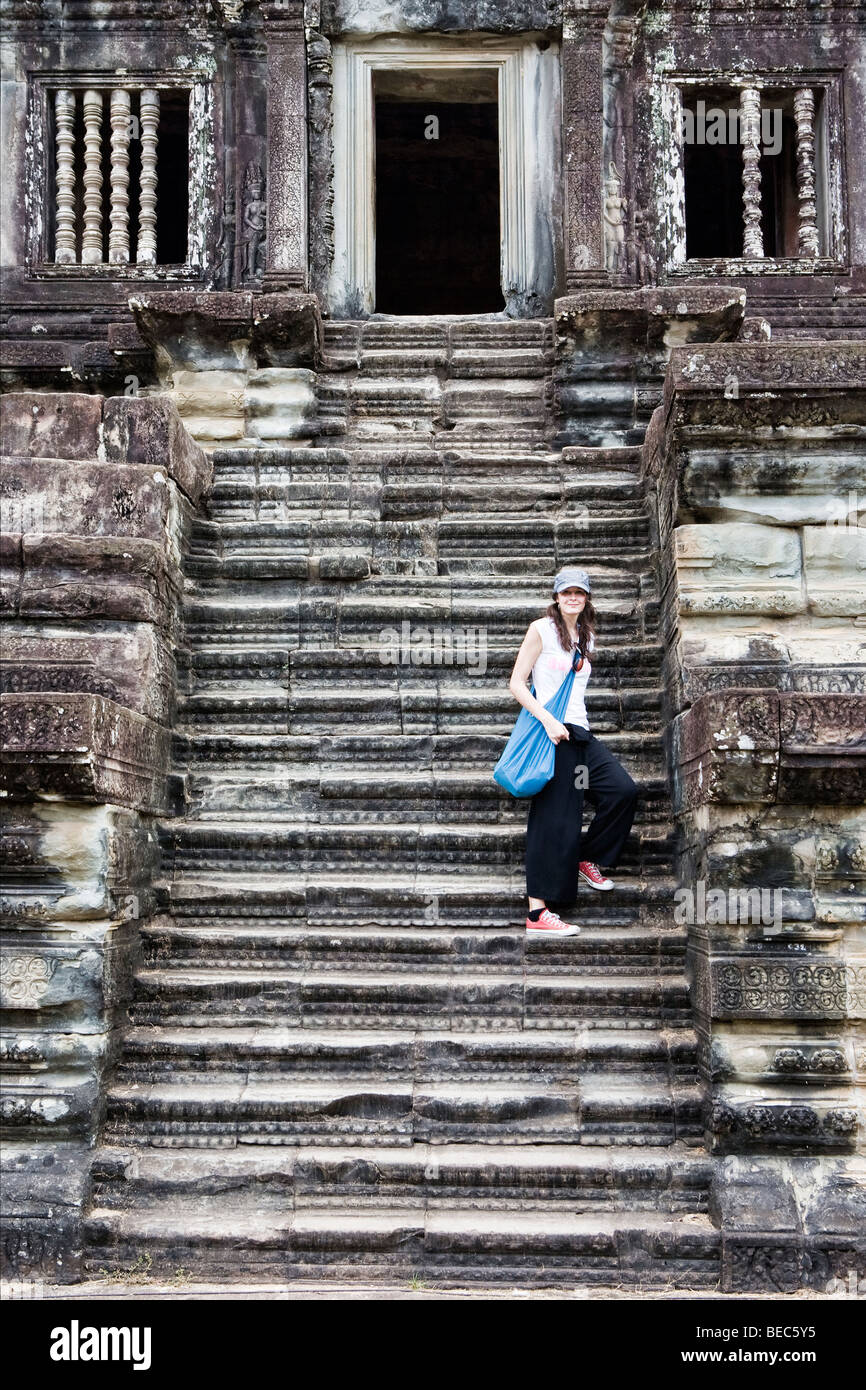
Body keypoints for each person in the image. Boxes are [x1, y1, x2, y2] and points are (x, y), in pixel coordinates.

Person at [507, 567, 638, 937]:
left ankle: (587, 856)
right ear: (556, 596)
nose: (573, 598)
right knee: (553, 819)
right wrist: (548, 720)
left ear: (586, 598)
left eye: (580, 592)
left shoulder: (586, 637)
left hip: (580, 733)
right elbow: (517, 683)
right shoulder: (541, 630)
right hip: (552, 735)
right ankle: (537, 914)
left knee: (621, 791)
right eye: (567, 592)